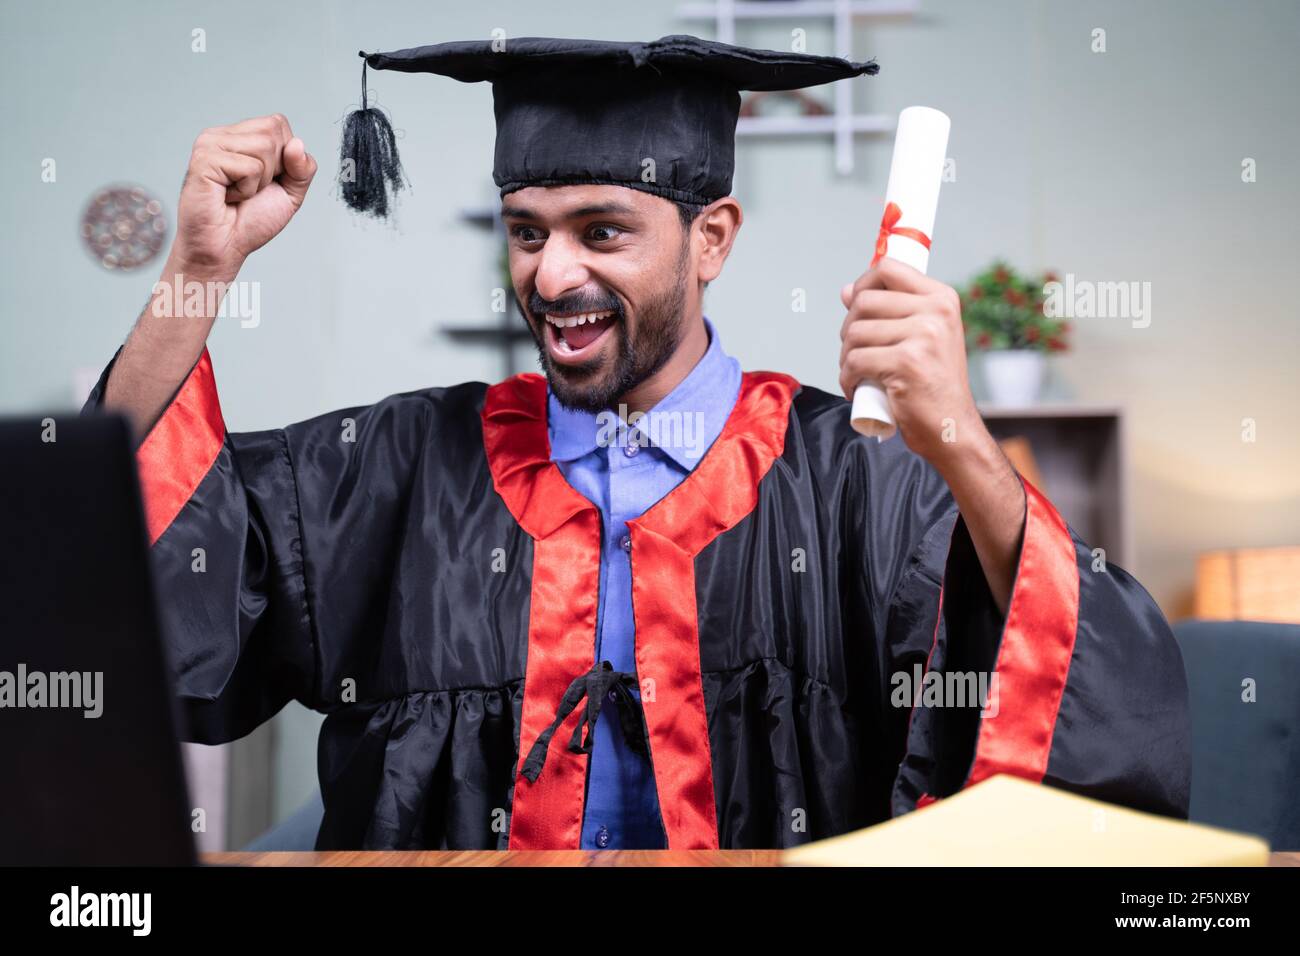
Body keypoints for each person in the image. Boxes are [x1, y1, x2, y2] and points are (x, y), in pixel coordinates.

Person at [84, 35, 1189, 851]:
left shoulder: (853, 481)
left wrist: (954, 432)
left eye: (601, 230)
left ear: (712, 238)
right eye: (528, 231)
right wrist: (198, 272)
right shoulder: (400, 466)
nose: (552, 275)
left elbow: (1084, 685)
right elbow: (123, 588)